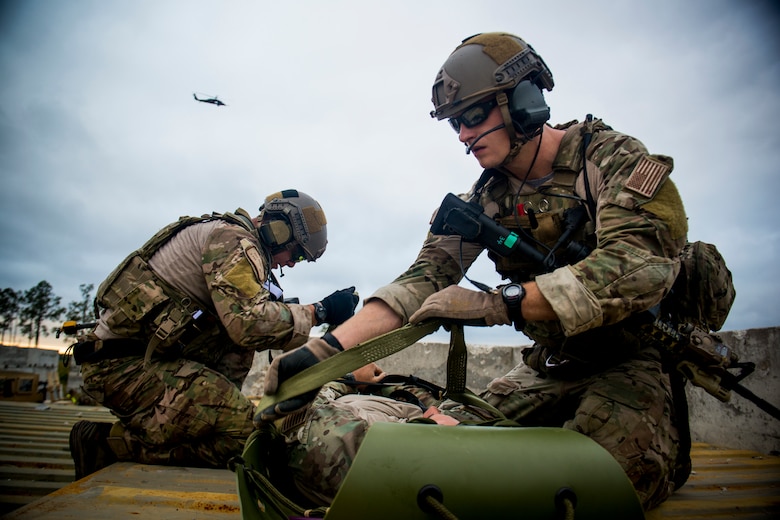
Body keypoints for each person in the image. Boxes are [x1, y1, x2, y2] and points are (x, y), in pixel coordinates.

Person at [260, 33, 691, 510]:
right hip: (547, 367)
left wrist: (497, 303)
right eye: (455, 124)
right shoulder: (484, 199)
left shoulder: (613, 161)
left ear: (522, 101)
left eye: (473, 116)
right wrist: (323, 352)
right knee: (423, 464)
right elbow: (418, 284)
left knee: (595, 489)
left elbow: (639, 267)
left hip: (630, 364)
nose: (463, 135)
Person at [68, 189, 359, 480]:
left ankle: (165, 430)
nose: (292, 263)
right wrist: (320, 311)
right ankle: (106, 445)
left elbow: (254, 325)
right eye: (296, 253)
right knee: (251, 440)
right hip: (122, 368)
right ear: (279, 230)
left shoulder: (236, 244)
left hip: (149, 363)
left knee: (238, 438)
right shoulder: (232, 241)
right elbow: (248, 324)